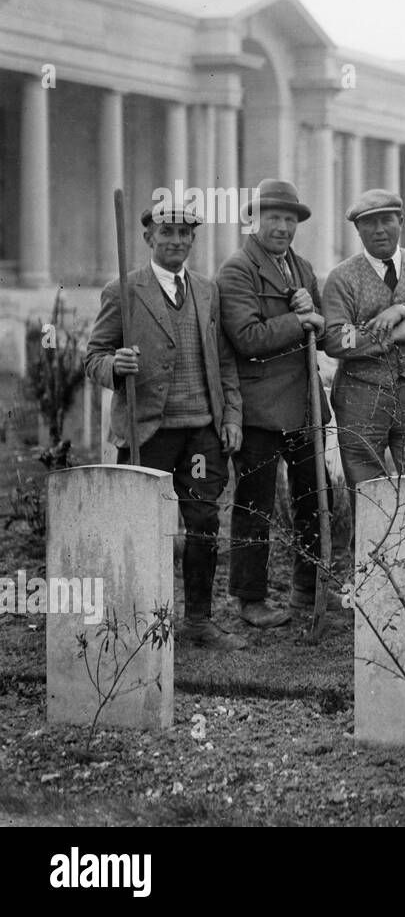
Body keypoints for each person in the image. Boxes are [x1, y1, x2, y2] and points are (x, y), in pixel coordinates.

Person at [85, 203, 245, 650]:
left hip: (200, 435)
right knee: (139, 525)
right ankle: (133, 620)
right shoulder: (124, 291)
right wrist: (114, 364)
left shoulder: (208, 291)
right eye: (167, 232)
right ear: (148, 238)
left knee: (203, 521)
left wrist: (230, 415)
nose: (176, 240)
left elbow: (225, 361)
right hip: (148, 433)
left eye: (184, 233)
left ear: (193, 240)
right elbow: (93, 357)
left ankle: (197, 621)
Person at [217, 178, 336, 627]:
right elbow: (246, 338)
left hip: (304, 405)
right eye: (274, 218)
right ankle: (250, 601)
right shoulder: (237, 270)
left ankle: (309, 590)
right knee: (255, 506)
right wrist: (300, 318)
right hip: (261, 409)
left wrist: (316, 319)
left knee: (313, 499)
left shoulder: (302, 268)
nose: (283, 227)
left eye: (290, 219)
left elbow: (320, 333)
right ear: (254, 220)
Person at [322, 189, 405, 489]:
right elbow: (335, 338)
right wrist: (393, 335)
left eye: (386, 220)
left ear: (401, 221)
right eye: (369, 223)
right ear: (358, 229)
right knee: (369, 492)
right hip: (361, 398)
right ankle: (371, 539)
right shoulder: (342, 277)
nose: (379, 229)